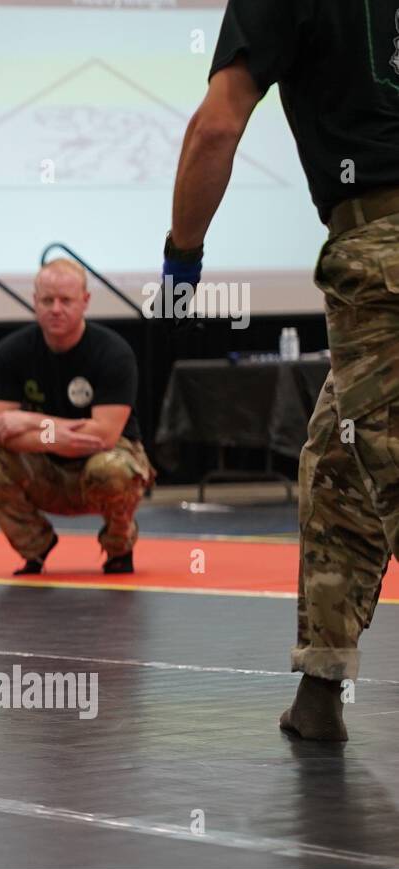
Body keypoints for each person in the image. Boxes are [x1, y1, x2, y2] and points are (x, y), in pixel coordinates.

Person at [164, 1, 399, 742]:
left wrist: (181, 256)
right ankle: (320, 688)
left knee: (375, 459)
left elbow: (217, 124)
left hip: (384, 250)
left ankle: (321, 690)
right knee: (340, 458)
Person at [0, 259, 154, 575]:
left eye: (66, 300)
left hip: (101, 462)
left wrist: (30, 422)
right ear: (35, 301)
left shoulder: (113, 352)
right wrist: (55, 437)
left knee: (111, 468)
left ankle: (119, 548)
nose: (56, 309)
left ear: (85, 302)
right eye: (47, 300)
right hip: (46, 467)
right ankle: (35, 544)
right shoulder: (12, 351)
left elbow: (103, 436)